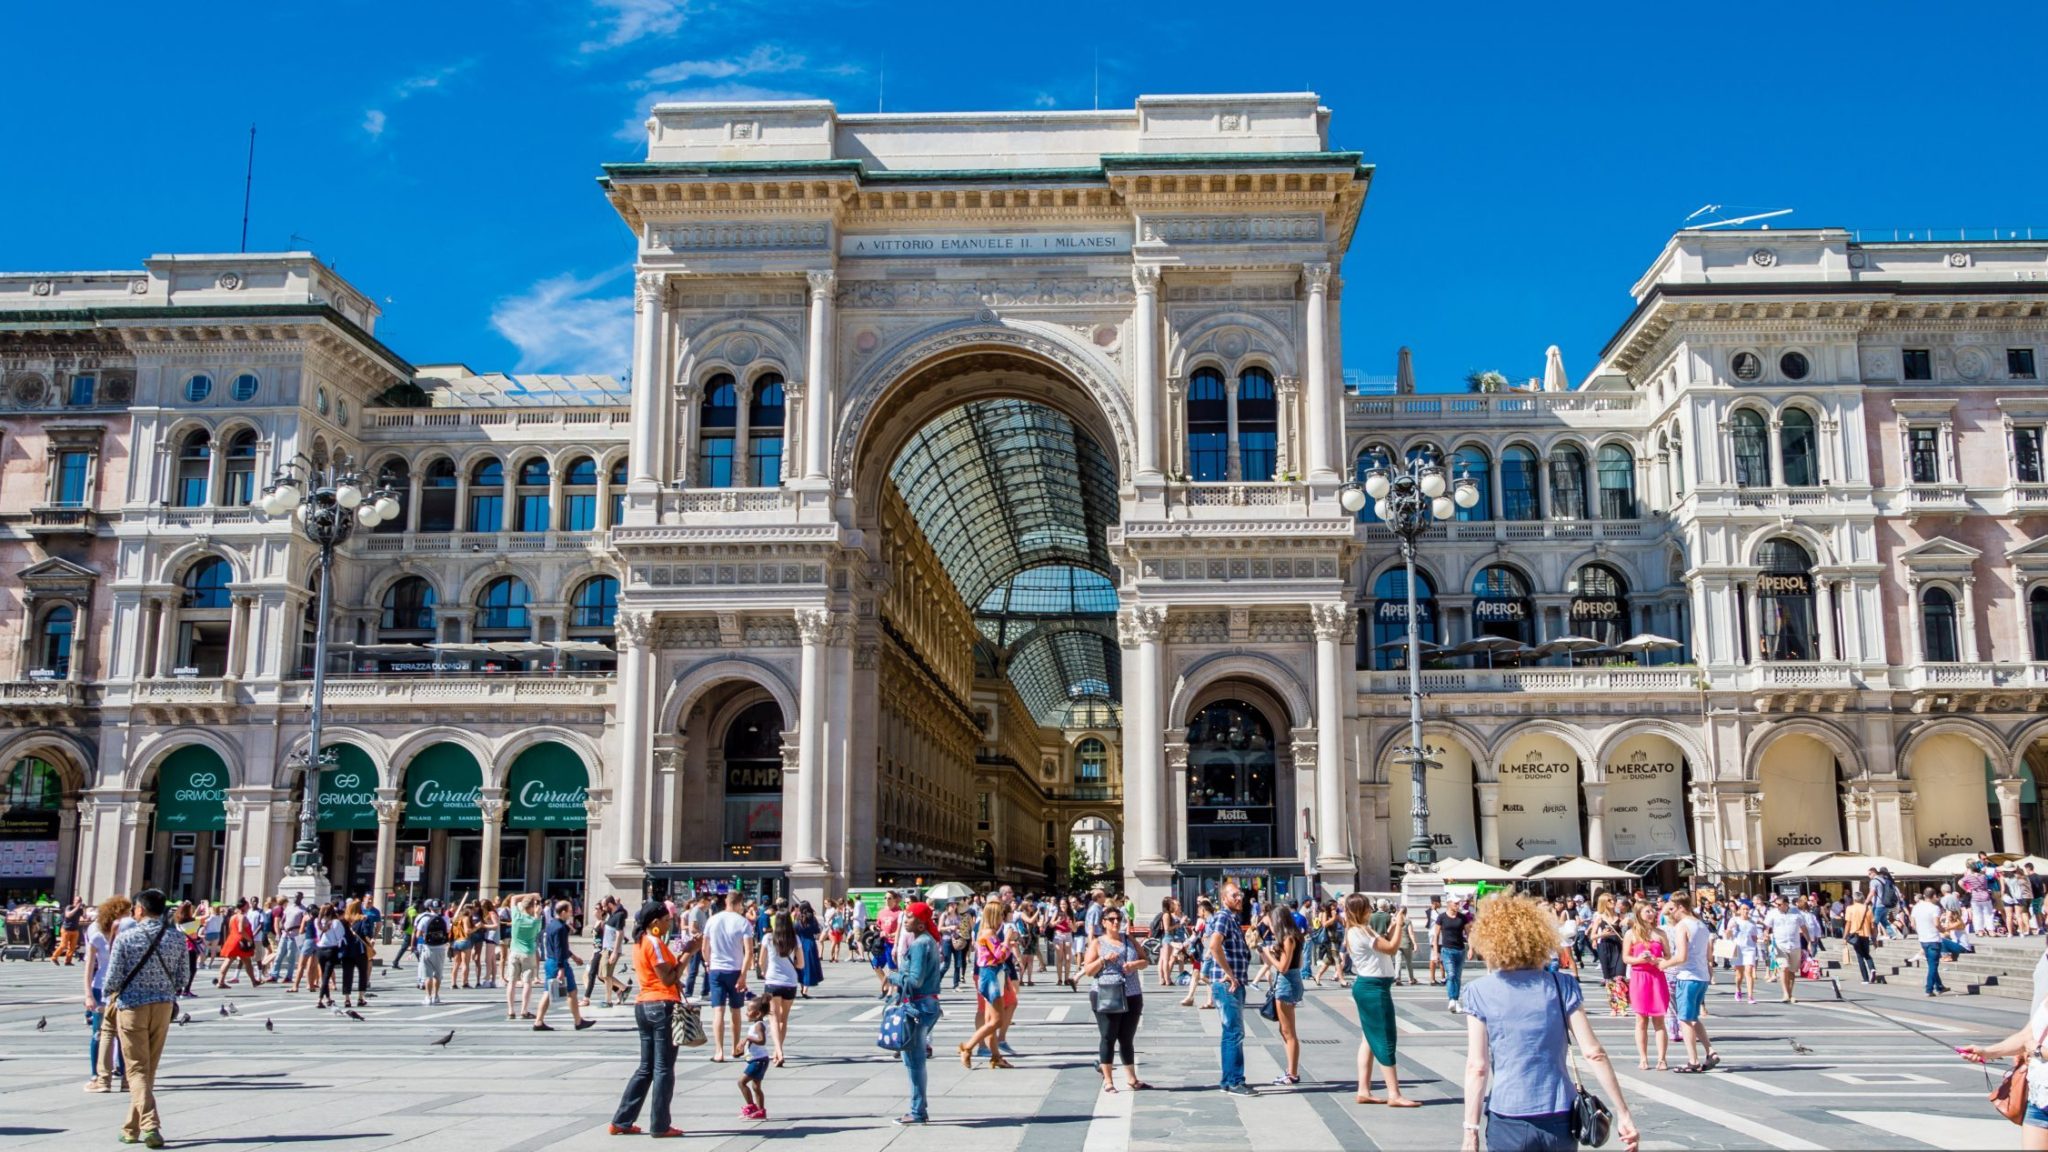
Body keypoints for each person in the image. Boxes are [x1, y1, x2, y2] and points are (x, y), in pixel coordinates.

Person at [1460, 895, 1640, 1152]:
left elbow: (1477, 1067)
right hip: (1559, 1114)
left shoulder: (1478, 991)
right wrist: (1623, 1113)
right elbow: (1594, 1053)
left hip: (1507, 1115)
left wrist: (1471, 1131)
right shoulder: (1561, 985)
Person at [101, 888, 188, 1149]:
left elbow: (113, 978)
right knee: (148, 1068)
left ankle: (150, 1125)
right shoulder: (176, 939)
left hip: (133, 1006)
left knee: (136, 1069)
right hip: (163, 1006)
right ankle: (130, 1128)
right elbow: (183, 978)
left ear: (140, 909)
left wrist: (108, 993)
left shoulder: (127, 938)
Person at [609, 901, 684, 1138]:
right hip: (662, 1005)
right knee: (663, 1069)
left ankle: (622, 1120)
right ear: (655, 923)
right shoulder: (655, 942)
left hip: (644, 1005)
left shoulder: (640, 942)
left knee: (646, 1067)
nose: (668, 923)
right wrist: (688, 953)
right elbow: (668, 978)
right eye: (666, 920)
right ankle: (660, 1124)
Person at [1344, 893, 1418, 1107]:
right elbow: (1392, 948)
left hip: (1371, 986)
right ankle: (1394, 1094)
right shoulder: (1360, 932)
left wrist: (1395, 924)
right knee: (1385, 1037)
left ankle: (1364, 1090)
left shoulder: (1359, 930)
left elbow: (1385, 941)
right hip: (1373, 989)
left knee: (1369, 1039)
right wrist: (1401, 924)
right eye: (1368, 907)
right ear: (1362, 910)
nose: (1371, 909)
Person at [1079, 900, 1149, 1092]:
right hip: (1106, 993)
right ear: (1104, 922)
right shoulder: (1097, 943)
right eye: (1111, 919)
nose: (1116, 922)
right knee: (1108, 1036)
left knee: (1127, 1038)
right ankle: (1108, 1080)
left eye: (1119, 918)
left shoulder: (1129, 939)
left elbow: (1145, 960)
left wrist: (1134, 965)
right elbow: (1088, 971)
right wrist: (1103, 960)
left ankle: (1132, 1079)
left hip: (1132, 993)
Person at [886, 900, 946, 1125]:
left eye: (910, 917)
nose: (905, 919)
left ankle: (917, 1111)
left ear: (921, 924)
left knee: (914, 1060)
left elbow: (915, 979)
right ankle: (918, 1108)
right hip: (926, 1004)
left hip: (918, 1006)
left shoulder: (921, 944)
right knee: (912, 1058)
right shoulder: (927, 941)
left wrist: (892, 976)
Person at [1659, 893, 1719, 1074]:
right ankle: (1710, 1051)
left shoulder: (1683, 926)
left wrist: (1664, 964)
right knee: (1693, 1017)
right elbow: (1708, 953)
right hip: (1701, 976)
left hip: (1687, 975)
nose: (1670, 913)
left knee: (1684, 1019)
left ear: (1681, 907)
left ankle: (1693, 1060)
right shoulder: (1700, 924)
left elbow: (1681, 956)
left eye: (1672, 909)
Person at [1206, 882, 1255, 1096]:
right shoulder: (1224, 917)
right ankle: (1235, 1081)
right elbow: (1214, 945)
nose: (1239, 898)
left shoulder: (1233, 919)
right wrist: (1229, 973)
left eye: (1240, 894)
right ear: (1224, 898)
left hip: (1234, 983)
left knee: (1231, 1032)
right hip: (1228, 985)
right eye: (1234, 895)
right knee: (1234, 1032)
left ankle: (1229, 1080)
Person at [82, 895, 132, 1093]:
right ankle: (97, 1075)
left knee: (123, 1033)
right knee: (99, 1032)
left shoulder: (128, 931)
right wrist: (88, 994)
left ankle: (125, 1075)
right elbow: (89, 966)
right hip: (102, 986)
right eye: (125, 912)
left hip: (122, 986)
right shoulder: (96, 933)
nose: (129, 916)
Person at [959, 901, 1016, 1069]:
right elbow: (1000, 955)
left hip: (988, 975)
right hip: (990, 976)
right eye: (999, 915)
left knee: (990, 1020)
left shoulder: (985, 932)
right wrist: (1007, 940)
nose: (1001, 918)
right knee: (997, 1021)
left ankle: (996, 1057)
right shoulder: (989, 933)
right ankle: (967, 1047)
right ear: (993, 916)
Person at [705, 891, 755, 1062]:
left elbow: (705, 947)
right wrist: (744, 974)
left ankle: (718, 1051)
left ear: (726, 901)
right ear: (740, 903)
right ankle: (735, 1048)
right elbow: (748, 952)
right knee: (735, 1010)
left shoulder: (712, 920)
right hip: (735, 970)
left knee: (718, 1010)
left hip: (716, 969)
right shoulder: (743, 922)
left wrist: (707, 963)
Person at [1262, 902, 1305, 1085]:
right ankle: (1290, 1070)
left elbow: (1283, 967)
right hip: (1291, 982)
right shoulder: (1294, 937)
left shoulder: (1288, 938)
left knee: (1288, 1032)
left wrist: (1268, 954)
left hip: (1287, 984)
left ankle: (1292, 1073)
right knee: (1284, 1030)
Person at [533, 900, 593, 1032]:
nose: (572, 913)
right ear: (563, 912)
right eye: (570, 911)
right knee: (571, 991)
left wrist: (573, 956)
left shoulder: (551, 925)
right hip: (558, 963)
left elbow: (558, 947)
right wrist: (561, 968)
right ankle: (578, 1021)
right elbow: (559, 948)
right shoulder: (560, 928)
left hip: (550, 961)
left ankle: (538, 1021)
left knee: (548, 992)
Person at [1624, 900, 1671, 1071]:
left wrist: (1657, 960)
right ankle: (1643, 1058)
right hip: (1639, 977)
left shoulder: (1661, 934)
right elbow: (1626, 958)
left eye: (1652, 911)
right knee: (1641, 1019)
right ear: (1639, 914)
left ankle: (1662, 1058)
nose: (1651, 914)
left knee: (1659, 1019)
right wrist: (1639, 960)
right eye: (1647, 911)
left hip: (1657, 977)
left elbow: (1668, 956)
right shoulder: (1631, 934)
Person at [761, 911, 801, 1063]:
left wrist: (765, 972)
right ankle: (779, 1050)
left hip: (772, 981)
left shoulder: (768, 938)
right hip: (790, 982)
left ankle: (778, 1051)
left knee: (773, 1018)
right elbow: (801, 963)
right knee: (783, 1019)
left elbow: (761, 961)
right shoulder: (795, 939)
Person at [1764, 894, 1809, 1004]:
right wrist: (1765, 935)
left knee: (1792, 971)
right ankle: (1785, 993)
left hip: (1795, 945)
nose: (1777, 906)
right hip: (1780, 945)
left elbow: (1803, 928)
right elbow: (1766, 927)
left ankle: (1790, 993)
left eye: (1779, 904)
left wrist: (1809, 942)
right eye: (1776, 904)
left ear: (1786, 904)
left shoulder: (1796, 912)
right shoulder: (1772, 913)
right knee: (1783, 968)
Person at [1437, 895, 1474, 1014]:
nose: (1458, 905)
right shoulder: (1441, 917)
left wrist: (1471, 948)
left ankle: (1456, 1000)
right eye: (1456, 903)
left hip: (1460, 950)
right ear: (1449, 904)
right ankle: (1451, 999)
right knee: (1451, 974)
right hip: (1447, 950)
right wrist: (1434, 952)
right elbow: (1436, 935)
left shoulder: (1462, 918)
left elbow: (1469, 933)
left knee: (1457, 977)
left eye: (1459, 903)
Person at [1913, 888, 1951, 997]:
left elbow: (1912, 923)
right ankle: (1929, 989)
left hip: (1923, 939)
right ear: (1934, 896)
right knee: (1933, 966)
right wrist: (1944, 930)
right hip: (1933, 939)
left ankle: (1939, 986)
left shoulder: (1917, 907)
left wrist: (1920, 931)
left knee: (1931, 964)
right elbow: (1936, 924)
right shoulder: (1935, 908)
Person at [416, 898, 455, 1005]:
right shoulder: (445, 918)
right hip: (441, 948)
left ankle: (428, 997)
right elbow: (448, 932)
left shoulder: (424, 918)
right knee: (438, 974)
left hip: (428, 947)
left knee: (427, 975)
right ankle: (436, 995)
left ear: (430, 907)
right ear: (441, 908)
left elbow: (417, 934)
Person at [1723, 901, 1760, 1004]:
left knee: (1749, 971)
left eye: (1747, 909)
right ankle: (1738, 989)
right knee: (1739, 975)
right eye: (1743, 909)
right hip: (1737, 948)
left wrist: (1759, 940)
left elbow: (1754, 937)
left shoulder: (1752, 922)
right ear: (1739, 910)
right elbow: (1728, 935)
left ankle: (1750, 996)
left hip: (1749, 949)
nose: (1745, 911)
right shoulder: (1734, 920)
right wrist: (1730, 930)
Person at [1843, 888, 1878, 984]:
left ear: (1854, 899)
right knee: (1866, 954)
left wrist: (1845, 937)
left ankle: (1866, 978)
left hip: (1855, 935)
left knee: (1860, 956)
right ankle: (1872, 969)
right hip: (1866, 934)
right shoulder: (1868, 909)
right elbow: (1872, 925)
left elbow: (1848, 924)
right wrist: (1874, 938)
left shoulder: (1850, 908)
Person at [793, 902, 823, 999]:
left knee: (800, 967)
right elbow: (817, 931)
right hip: (810, 944)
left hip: (799, 944)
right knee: (808, 967)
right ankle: (805, 990)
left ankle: (802, 987)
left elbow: (794, 930)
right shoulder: (812, 918)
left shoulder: (798, 918)